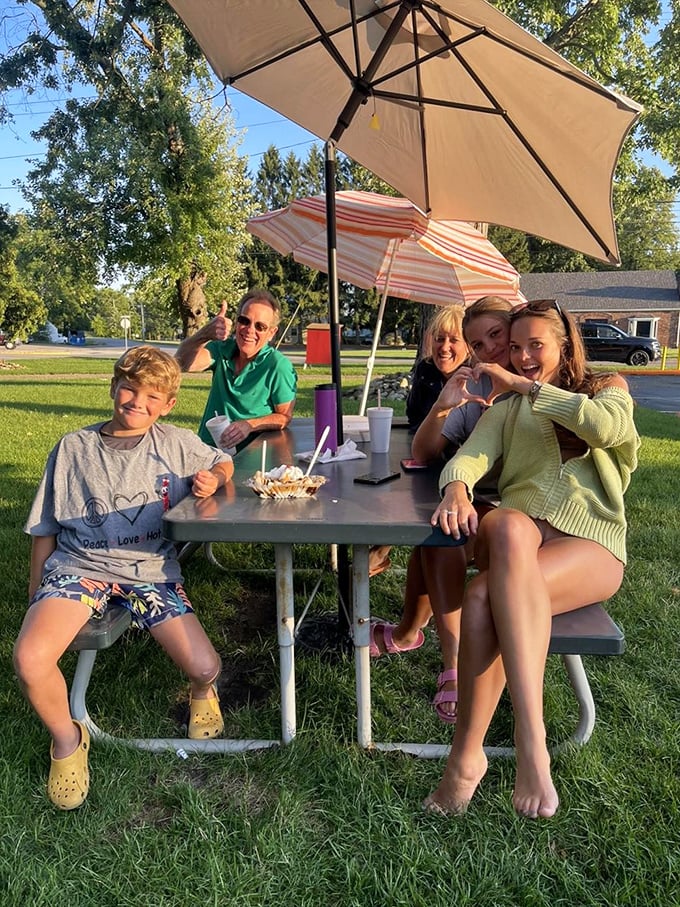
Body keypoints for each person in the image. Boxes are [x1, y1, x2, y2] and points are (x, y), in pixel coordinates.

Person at [423, 299, 639, 819]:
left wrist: (528, 389)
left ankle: (481, 755)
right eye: (514, 348)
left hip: (590, 546)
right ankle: (511, 746)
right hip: (521, 536)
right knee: (507, 525)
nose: (521, 357)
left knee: (481, 596)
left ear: (565, 344)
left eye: (534, 345)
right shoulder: (502, 410)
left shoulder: (605, 389)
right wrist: (455, 489)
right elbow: (467, 457)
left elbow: (606, 430)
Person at [13, 346, 235, 810]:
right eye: (129, 388)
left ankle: (201, 692)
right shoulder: (73, 448)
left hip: (150, 571)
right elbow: (44, 528)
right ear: (114, 386)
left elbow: (223, 460)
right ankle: (68, 740)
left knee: (206, 667)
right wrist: (37, 594)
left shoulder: (174, 442)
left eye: (152, 397)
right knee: (31, 660)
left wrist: (213, 477)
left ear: (169, 404)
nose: (137, 402)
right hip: (81, 568)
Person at [369, 297, 514, 727]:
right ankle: (431, 649)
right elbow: (423, 450)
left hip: (521, 514)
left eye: (495, 337)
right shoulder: (478, 389)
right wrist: (445, 403)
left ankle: (418, 641)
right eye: (477, 342)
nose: (487, 349)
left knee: (440, 536)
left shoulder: (534, 386)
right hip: (483, 504)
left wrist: (458, 484)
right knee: (438, 535)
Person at [369, 303, 470, 578]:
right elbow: (415, 420)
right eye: (439, 339)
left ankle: (379, 550)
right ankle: (374, 545)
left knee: (426, 518)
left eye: (453, 340)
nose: (444, 347)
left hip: (464, 474)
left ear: (469, 345)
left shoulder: (478, 381)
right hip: (427, 458)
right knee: (387, 485)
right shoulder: (426, 371)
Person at [176, 288, 297, 450]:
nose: (249, 330)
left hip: (248, 458)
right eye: (244, 321)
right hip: (207, 452)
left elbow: (284, 417)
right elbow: (181, 362)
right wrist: (204, 334)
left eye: (260, 326)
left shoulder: (277, 365)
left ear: (271, 332)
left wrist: (249, 425)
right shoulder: (221, 350)